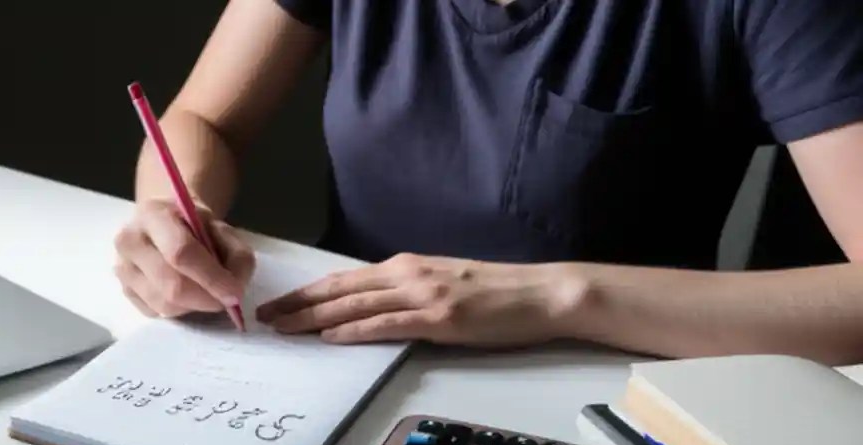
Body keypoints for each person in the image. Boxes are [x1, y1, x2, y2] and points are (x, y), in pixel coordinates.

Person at [112, 0, 863, 365]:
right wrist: (177, 212)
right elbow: (204, 121)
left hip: (601, 393)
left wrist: (558, 296)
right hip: (333, 359)